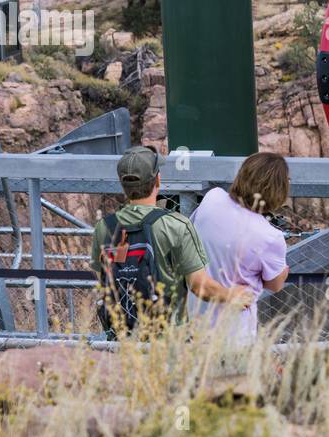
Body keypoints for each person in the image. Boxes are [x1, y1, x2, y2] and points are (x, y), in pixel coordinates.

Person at [91, 146, 255, 334]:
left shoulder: (104, 227)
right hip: (166, 340)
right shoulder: (176, 225)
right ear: (157, 180)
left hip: (121, 340)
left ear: (123, 185)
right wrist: (232, 295)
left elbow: (103, 277)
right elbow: (199, 285)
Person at [186, 151, 290, 342]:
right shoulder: (270, 237)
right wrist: (283, 271)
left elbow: (193, 238)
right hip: (235, 334)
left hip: (194, 322)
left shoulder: (212, 198)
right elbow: (275, 284)